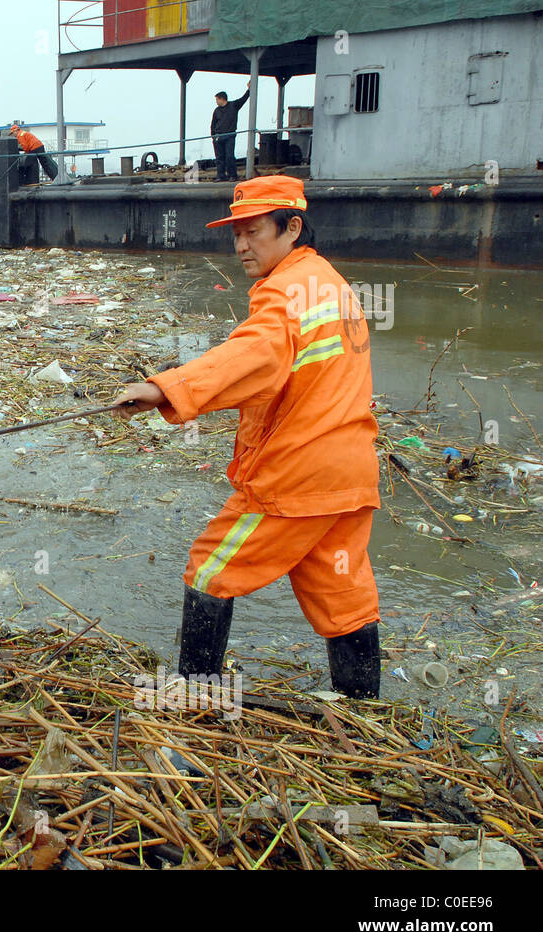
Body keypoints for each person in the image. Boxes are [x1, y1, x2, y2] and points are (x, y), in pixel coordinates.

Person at [110, 176, 382, 699]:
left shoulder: (285, 293)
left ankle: (196, 696)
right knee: (342, 592)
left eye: (253, 232)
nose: (240, 246)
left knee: (210, 569)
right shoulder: (330, 283)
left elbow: (253, 358)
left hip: (298, 473)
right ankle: (365, 712)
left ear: (292, 227)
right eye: (236, 234)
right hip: (348, 470)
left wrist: (164, 388)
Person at [211, 82, 251, 182]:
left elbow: (243, 99)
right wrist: (213, 136)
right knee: (219, 157)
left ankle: (232, 175)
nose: (216, 102)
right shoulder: (216, 110)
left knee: (229, 156)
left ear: (222, 99)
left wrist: (249, 90)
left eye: (217, 99)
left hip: (229, 135)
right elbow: (213, 124)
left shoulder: (233, 105)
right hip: (218, 136)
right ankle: (221, 175)